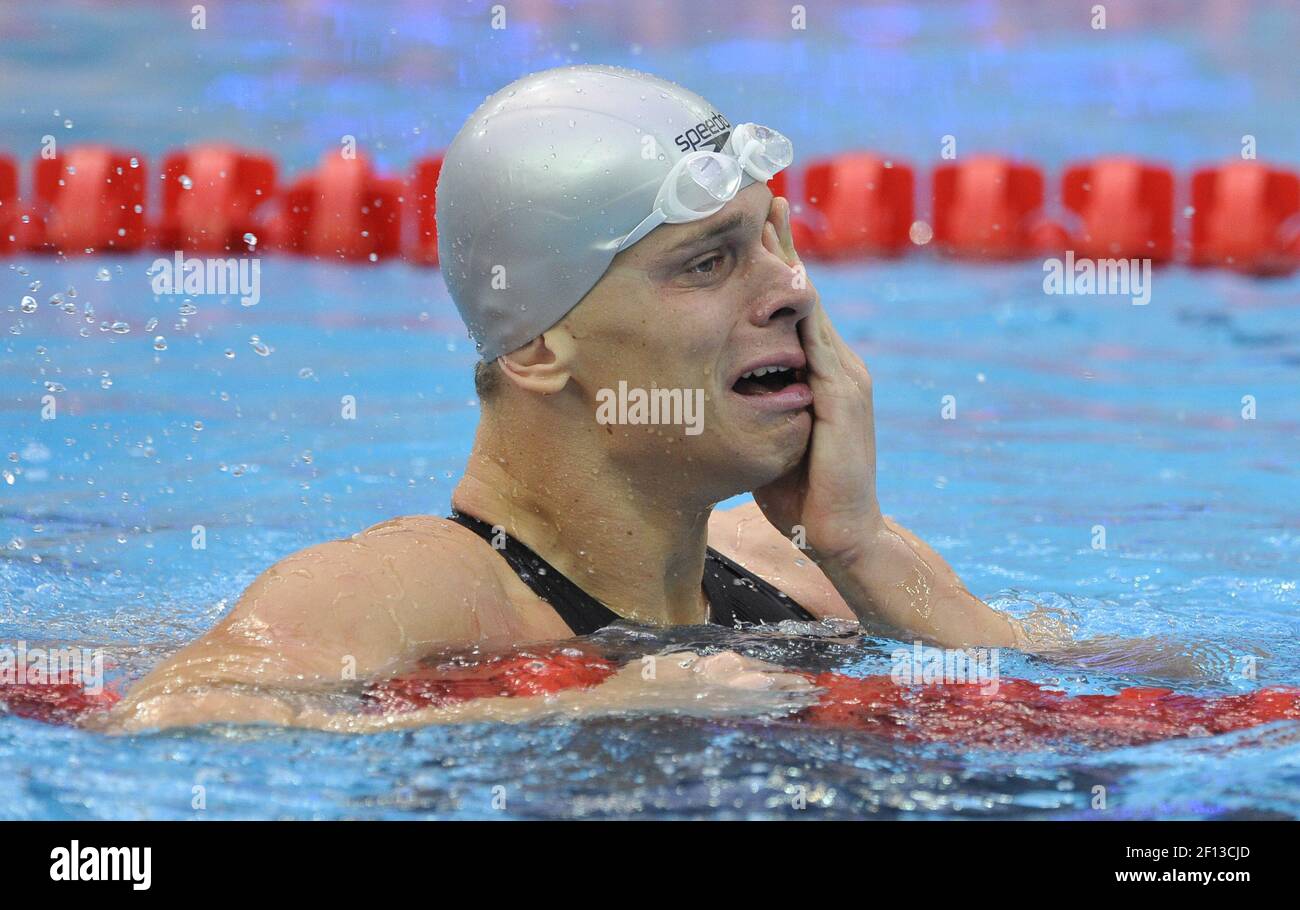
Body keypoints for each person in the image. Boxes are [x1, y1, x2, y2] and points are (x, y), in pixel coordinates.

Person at [95, 65, 1109, 734]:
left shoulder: (808, 567)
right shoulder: (415, 590)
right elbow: (169, 717)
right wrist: (568, 708)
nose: (791, 287)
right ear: (539, 348)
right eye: (708, 262)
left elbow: (1077, 702)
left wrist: (860, 544)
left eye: (773, 235)